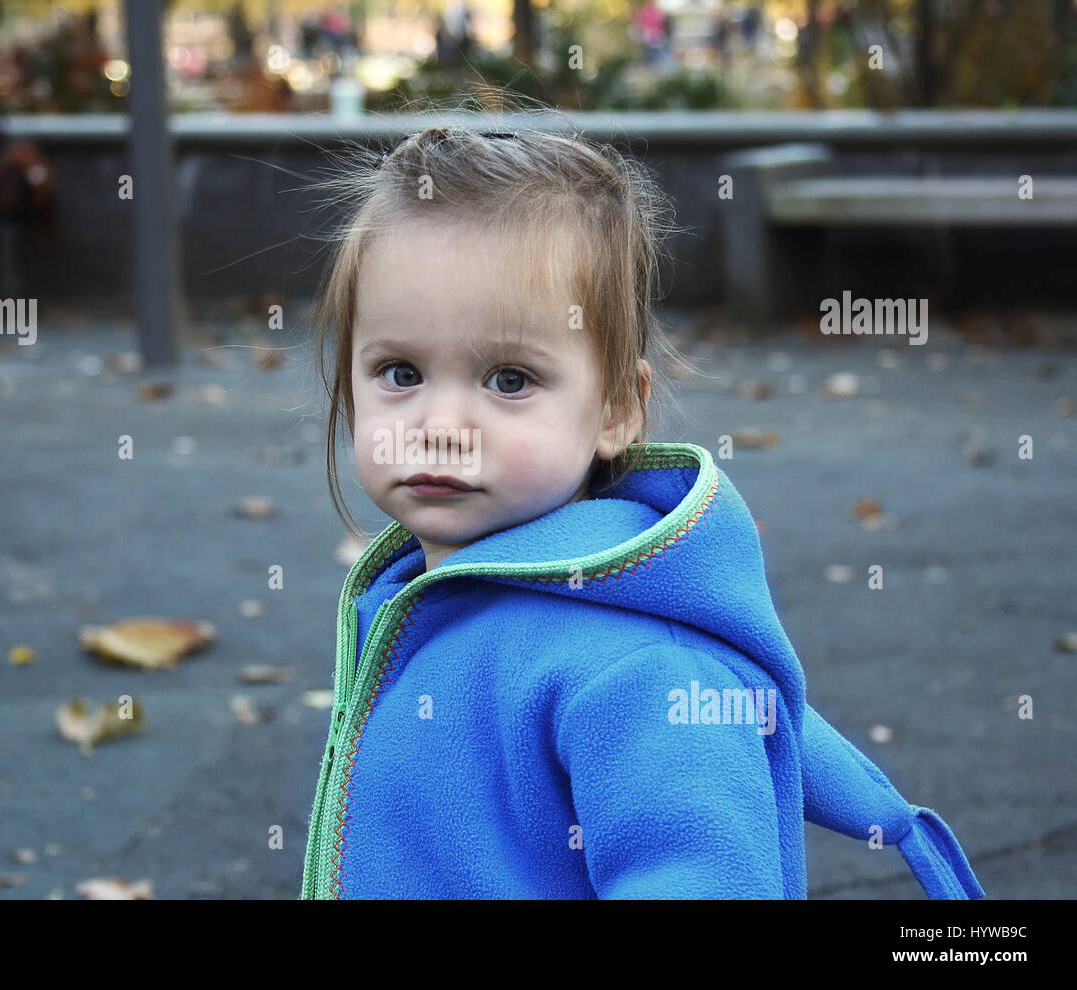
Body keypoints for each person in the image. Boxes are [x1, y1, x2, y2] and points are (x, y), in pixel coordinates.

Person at [299, 121, 985, 899]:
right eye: (399, 371)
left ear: (618, 408)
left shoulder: (640, 669)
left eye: (510, 380)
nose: (441, 426)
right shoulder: (415, 607)